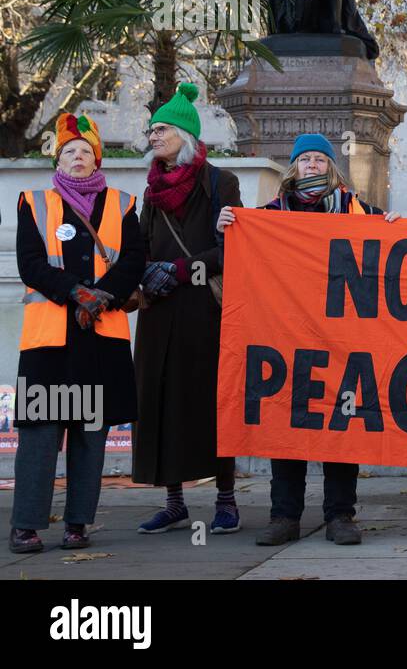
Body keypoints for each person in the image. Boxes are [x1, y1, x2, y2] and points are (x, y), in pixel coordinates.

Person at [217, 133, 399, 546]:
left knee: (341, 427)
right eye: (305, 160)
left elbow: (389, 251)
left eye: (320, 159)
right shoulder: (269, 216)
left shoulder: (359, 210)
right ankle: (285, 517)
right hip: (286, 339)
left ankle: (340, 516)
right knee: (287, 423)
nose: (312, 166)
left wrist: (389, 224)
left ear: (332, 168)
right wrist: (228, 226)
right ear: (294, 168)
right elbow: (234, 254)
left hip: (343, 341)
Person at [9, 114, 145, 553]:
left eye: (85, 151)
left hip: (101, 340)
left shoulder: (124, 203)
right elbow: (30, 264)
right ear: (58, 160)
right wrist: (75, 293)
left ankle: (78, 524)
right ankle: (26, 526)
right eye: (69, 152)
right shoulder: (33, 201)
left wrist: (101, 297)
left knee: (90, 434)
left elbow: (132, 261)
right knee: (40, 436)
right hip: (49, 341)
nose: (77, 158)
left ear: (97, 159)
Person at [132, 84, 245, 535]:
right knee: (159, 401)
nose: (153, 136)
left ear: (184, 134)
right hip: (159, 312)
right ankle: (174, 502)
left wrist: (180, 270)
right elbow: (139, 245)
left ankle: (226, 499)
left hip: (205, 310)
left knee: (210, 402)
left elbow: (234, 246)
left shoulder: (221, 182)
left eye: (161, 129)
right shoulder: (152, 190)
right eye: (151, 130)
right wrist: (143, 274)